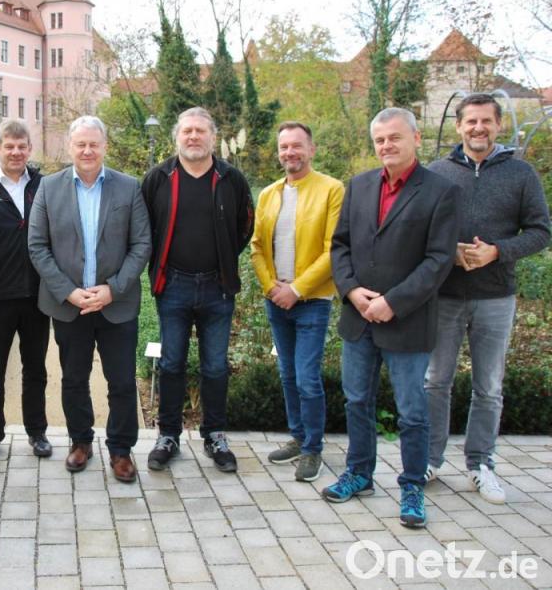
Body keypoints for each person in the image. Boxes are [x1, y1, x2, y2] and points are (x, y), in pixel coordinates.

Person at [324, 107, 459, 529]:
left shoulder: (440, 191)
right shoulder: (360, 185)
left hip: (407, 320)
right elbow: (340, 245)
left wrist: (394, 301)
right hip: (359, 316)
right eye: (380, 140)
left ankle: (412, 486)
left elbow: (439, 261)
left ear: (416, 139)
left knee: (412, 411)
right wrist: (351, 290)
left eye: (395, 138)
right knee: (357, 400)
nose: (387, 146)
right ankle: (360, 473)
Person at [425, 93, 550, 503]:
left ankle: (481, 463)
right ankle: (430, 458)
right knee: (435, 381)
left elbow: (540, 231)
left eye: (486, 121)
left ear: (498, 126)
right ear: (458, 126)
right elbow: (420, 230)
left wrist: (497, 250)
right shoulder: (437, 173)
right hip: (445, 293)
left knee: (489, 386)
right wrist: (450, 253)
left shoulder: (520, 173)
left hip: (496, 295)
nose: (478, 128)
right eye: (470, 122)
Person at [28, 115, 151, 483]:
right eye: (80, 144)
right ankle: (80, 441)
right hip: (70, 305)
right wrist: (68, 291)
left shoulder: (129, 188)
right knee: (74, 379)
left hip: (117, 303)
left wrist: (113, 288)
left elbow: (142, 243)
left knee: (122, 381)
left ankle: (120, 449)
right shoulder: (49, 189)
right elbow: (37, 245)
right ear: (70, 147)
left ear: (104, 147)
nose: (87, 150)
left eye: (93, 144)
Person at [141, 107, 253, 473]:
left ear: (213, 137)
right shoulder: (158, 178)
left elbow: (244, 227)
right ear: (177, 136)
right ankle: (168, 435)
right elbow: (144, 230)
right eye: (187, 130)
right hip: (172, 284)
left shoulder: (231, 179)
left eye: (200, 131)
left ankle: (215, 435)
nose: (193, 137)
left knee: (216, 365)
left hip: (217, 287)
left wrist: (220, 259)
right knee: (172, 362)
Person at [252, 122, 344, 482]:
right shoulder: (269, 194)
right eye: (284, 147)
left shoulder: (331, 190)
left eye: (296, 146)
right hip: (276, 298)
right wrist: (271, 287)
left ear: (312, 149)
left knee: (307, 377)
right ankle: (297, 436)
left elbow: (333, 249)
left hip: (313, 300)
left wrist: (298, 289)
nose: (289, 153)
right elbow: (258, 247)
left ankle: (313, 449)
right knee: (287, 374)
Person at [0, 118, 51, 463]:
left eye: (22, 146)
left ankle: (37, 431)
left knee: (36, 368)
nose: (16, 152)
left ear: (29, 149)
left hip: (37, 295)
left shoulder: (45, 186)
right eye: (9, 146)